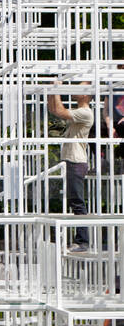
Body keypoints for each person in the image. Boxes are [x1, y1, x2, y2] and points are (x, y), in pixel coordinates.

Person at [47, 84, 93, 255]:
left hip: (76, 161)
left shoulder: (85, 112)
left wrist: (56, 89)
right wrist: (52, 92)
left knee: (78, 202)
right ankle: (81, 240)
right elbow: (54, 109)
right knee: (75, 201)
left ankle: (83, 241)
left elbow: (59, 111)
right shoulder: (79, 111)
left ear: (86, 95)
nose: (74, 91)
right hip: (72, 160)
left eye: (79, 89)